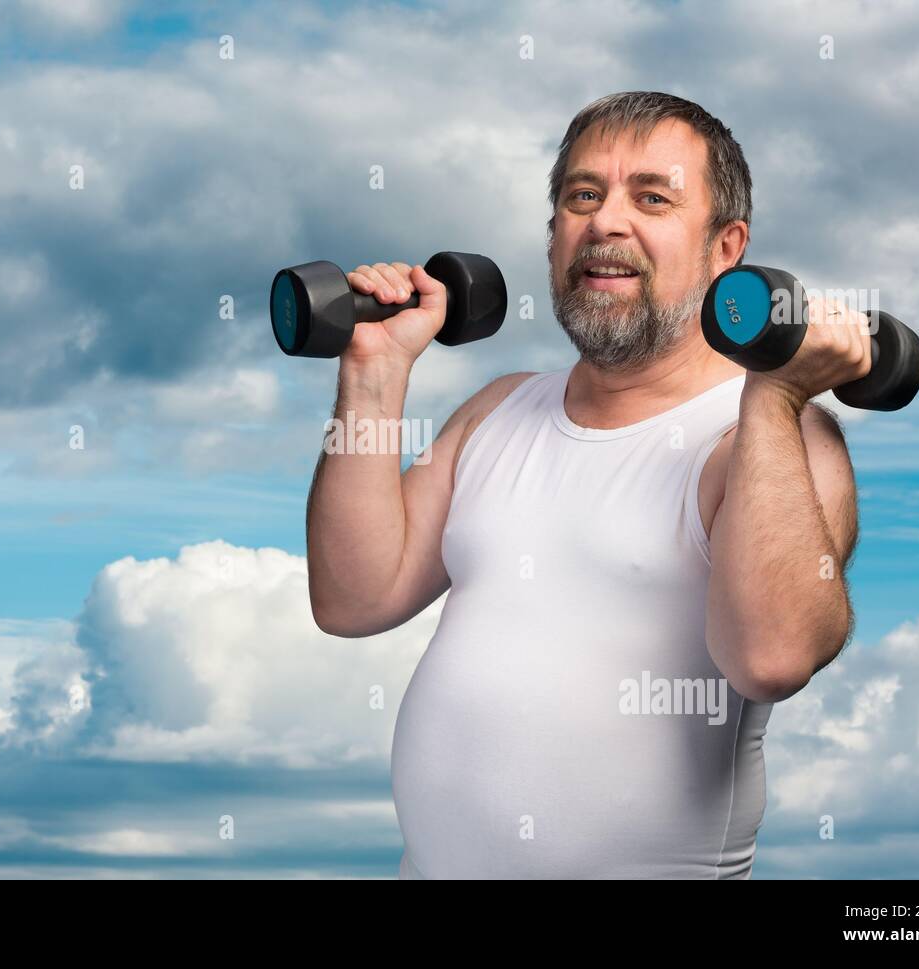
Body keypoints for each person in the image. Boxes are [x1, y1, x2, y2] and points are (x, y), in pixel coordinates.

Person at [305, 91, 870, 879]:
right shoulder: (497, 410)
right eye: (582, 195)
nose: (605, 221)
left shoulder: (766, 438)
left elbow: (772, 657)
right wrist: (373, 377)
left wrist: (774, 393)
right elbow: (352, 598)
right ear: (552, 239)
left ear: (725, 247)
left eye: (652, 196)